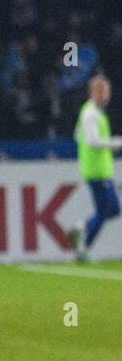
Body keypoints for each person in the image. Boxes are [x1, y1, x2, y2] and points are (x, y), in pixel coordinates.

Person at [68, 73, 122, 262]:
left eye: (108, 91)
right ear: (94, 92)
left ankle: (82, 246)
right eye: (104, 91)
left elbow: (77, 136)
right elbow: (91, 141)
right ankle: (82, 231)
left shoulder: (93, 112)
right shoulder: (90, 113)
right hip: (96, 170)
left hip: (100, 168)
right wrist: (115, 143)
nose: (107, 94)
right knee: (108, 209)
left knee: (110, 209)